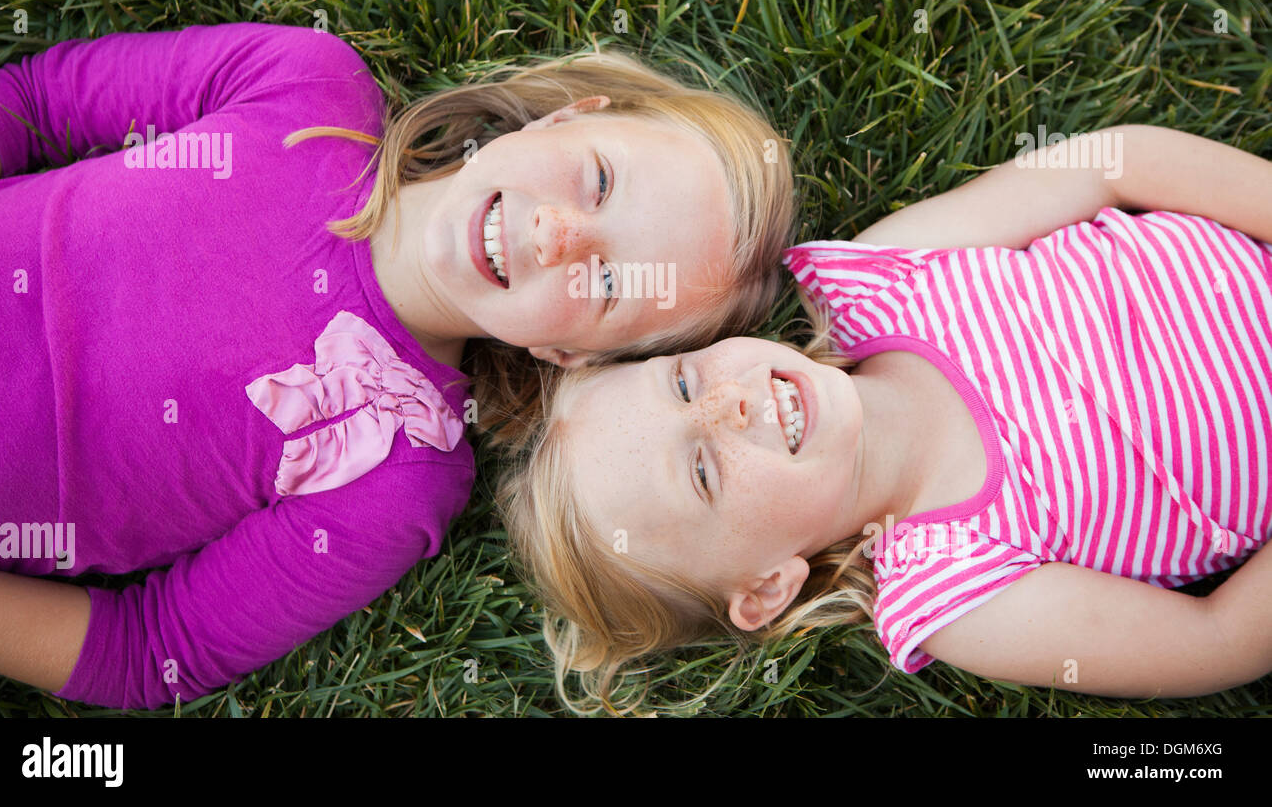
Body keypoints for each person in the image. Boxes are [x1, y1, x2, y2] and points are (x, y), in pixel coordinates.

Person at [0, 21, 794, 708]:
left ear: (571, 355)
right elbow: (34, 104)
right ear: (562, 119)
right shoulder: (305, 88)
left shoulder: (397, 478)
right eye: (601, 181)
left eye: (607, 282)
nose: (558, 236)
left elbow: (151, 650)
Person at [497, 124, 1272, 714]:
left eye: (681, 383)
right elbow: (1220, 639)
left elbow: (1111, 164)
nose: (728, 405)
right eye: (702, 470)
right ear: (767, 586)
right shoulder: (955, 588)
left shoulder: (885, 280)